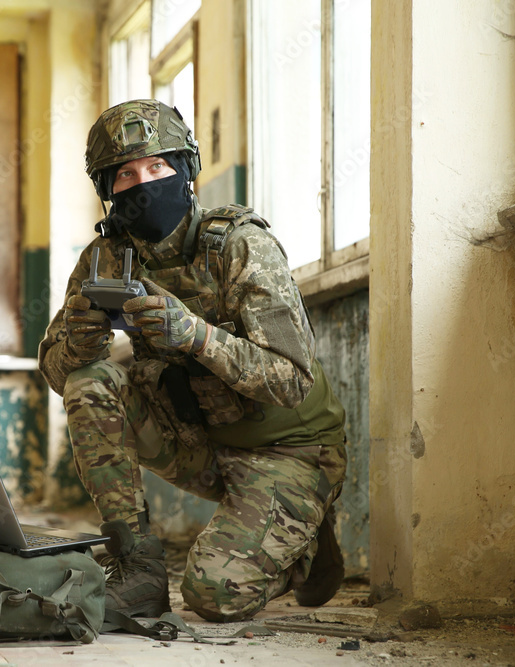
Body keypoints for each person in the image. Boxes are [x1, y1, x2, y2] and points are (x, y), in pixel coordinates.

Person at [37, 99, 348, 623]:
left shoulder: (242, 244)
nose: (144, 184)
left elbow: (293, 380)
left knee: (215, 597)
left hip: (290, 450)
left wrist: (195, 335)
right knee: (92, 381)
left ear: (185, 170)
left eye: (158, 167)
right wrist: (80, 341)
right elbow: (57, 372)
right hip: (199, 441)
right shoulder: (106, 256)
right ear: (106, 189)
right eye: (126, 175)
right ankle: (137, 568)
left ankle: (304, 542)